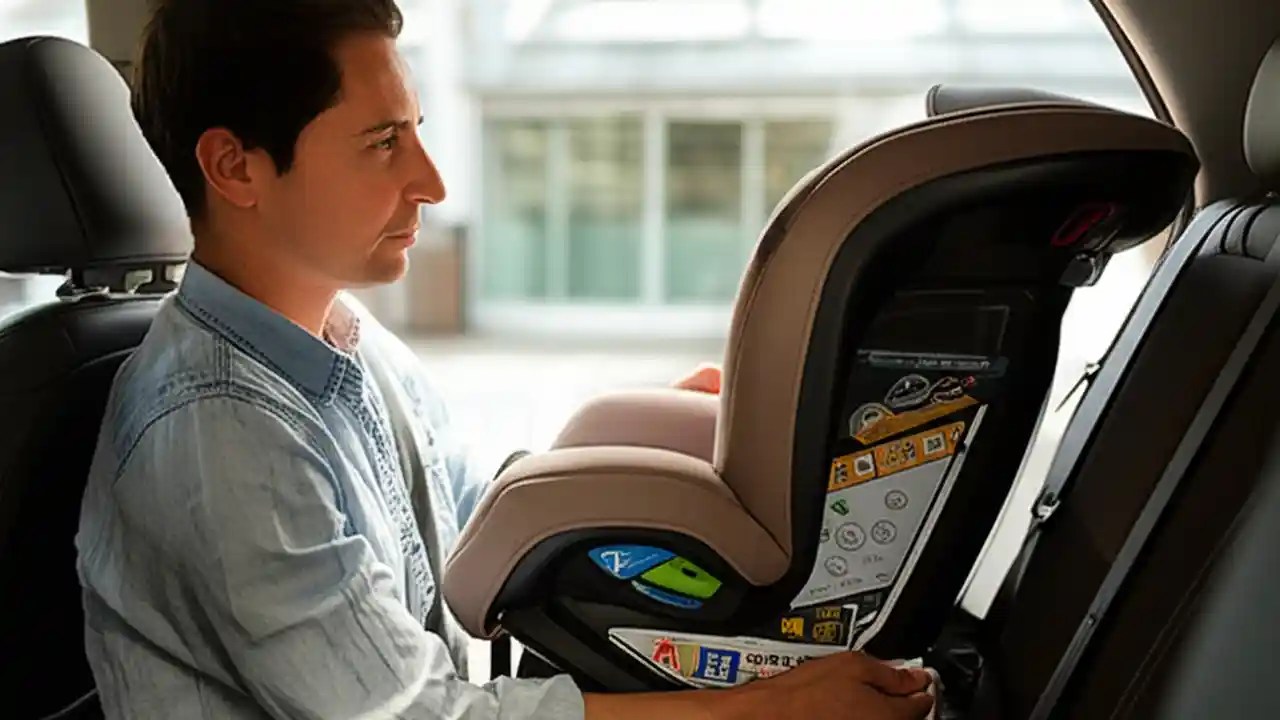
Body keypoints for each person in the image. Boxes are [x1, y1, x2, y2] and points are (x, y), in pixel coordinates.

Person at [74, 1, 936, 718]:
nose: (432, 180)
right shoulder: (219, 432)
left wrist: (624, 455)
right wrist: (759, 711)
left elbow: (463, 539)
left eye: (416, 131)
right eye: (382, 143)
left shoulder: (341, 340)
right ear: (235, 167)